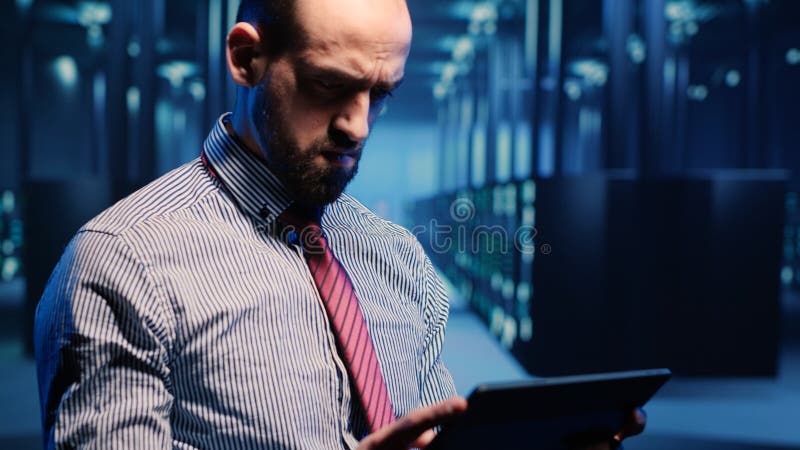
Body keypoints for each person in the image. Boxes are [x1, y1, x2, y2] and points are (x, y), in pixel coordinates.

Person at [33, 0, 645, 448]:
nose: (358, 126)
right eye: (331, 85)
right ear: (247, 58)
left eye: (380, 94)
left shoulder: (396, 256)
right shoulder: (123, 263)